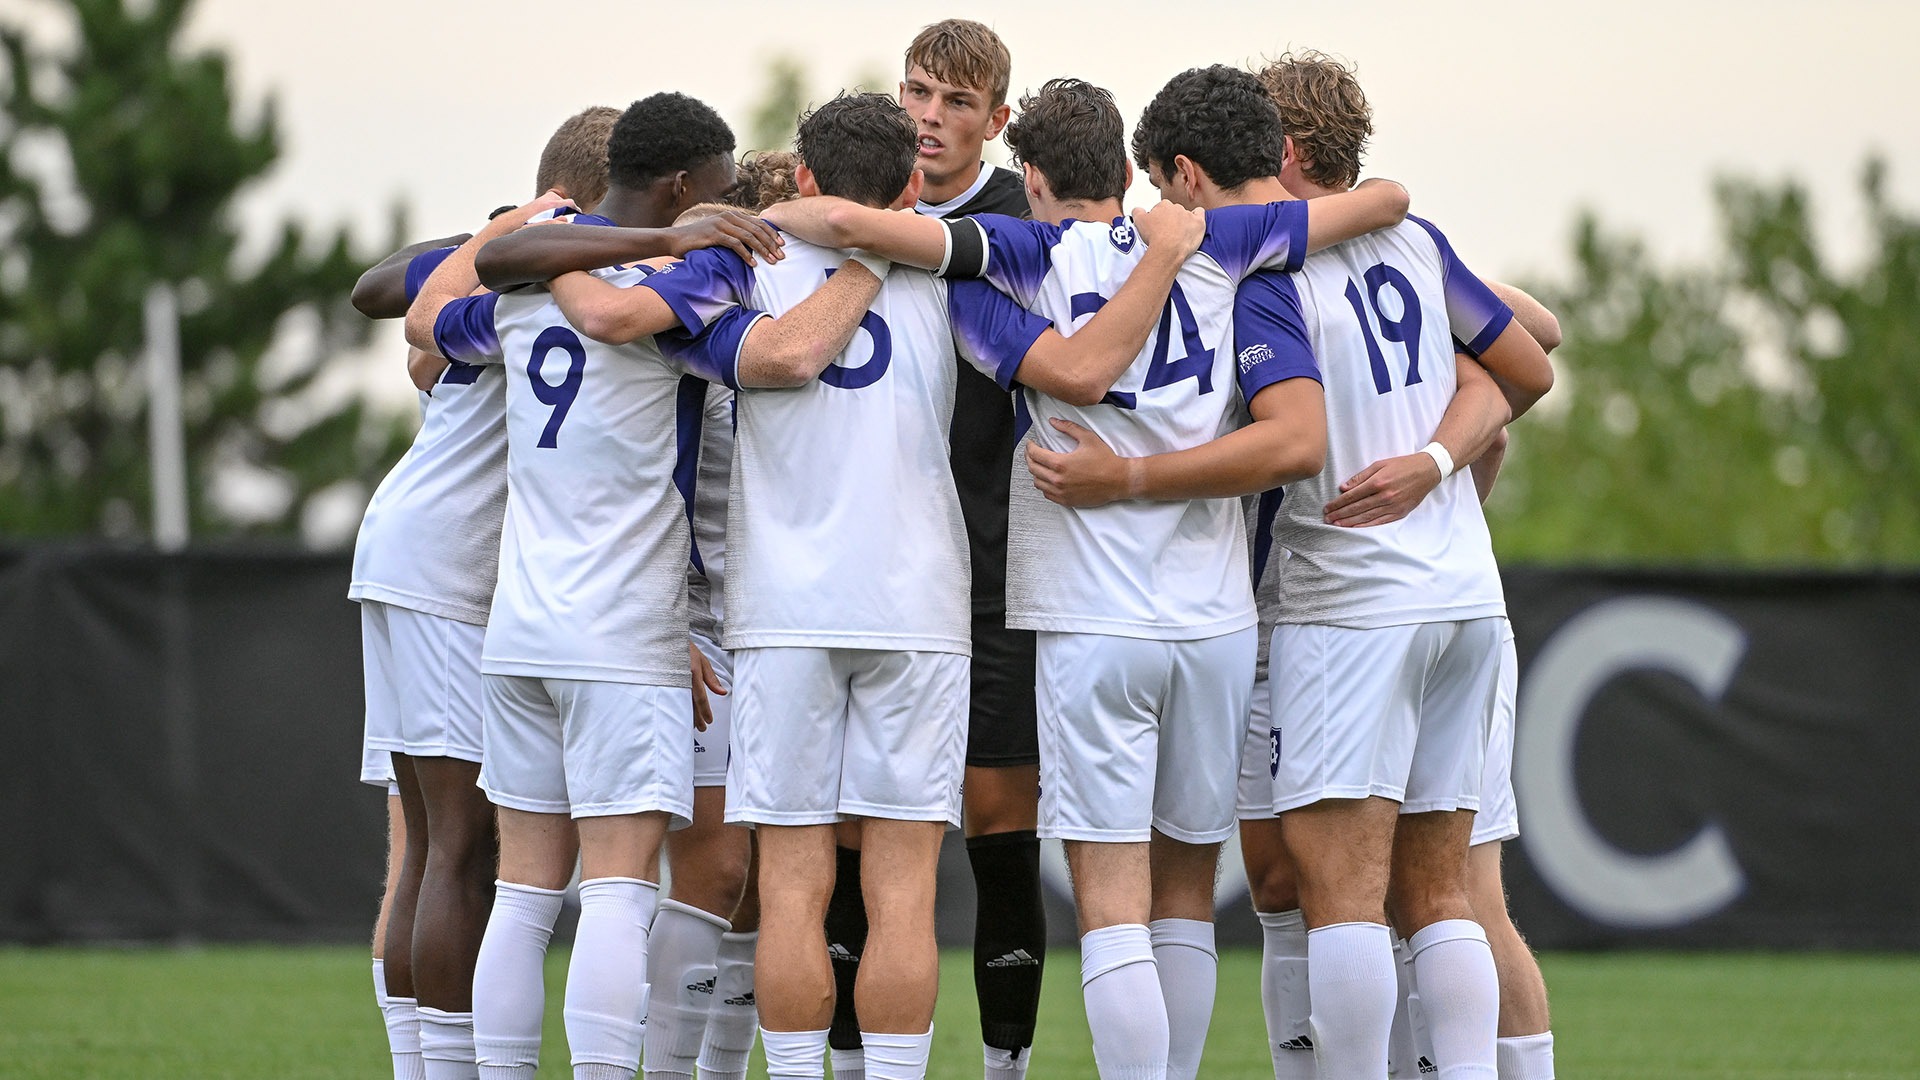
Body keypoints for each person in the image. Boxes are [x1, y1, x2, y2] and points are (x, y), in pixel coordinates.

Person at [481, 90, 1208, 1080]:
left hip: (781, 614)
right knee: (905, 884)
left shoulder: (731, 266)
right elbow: (1068, 338)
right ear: (911, 183)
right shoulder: (948, 270)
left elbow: (631, 321)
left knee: (791, 883)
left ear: (809, 177)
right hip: (919, 610)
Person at [758, 75, 1407, 1080]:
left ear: (1032, 175)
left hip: (1088, 615)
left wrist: (770, 212)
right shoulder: (1219, 241)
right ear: (1125, 169)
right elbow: (1386, 200)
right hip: (1217, 619)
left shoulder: (1014, 252)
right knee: (1187, 894)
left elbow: (878, 231)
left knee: (1112, 908)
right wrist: (1182, 234)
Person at [1049, 61, 1554, 1080]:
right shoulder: (1408, 236)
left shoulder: (1265, 279)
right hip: (1460, 596)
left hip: (1343, 602)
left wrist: (1130, 478)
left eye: (1162, 186)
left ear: (1190, 176)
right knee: (1444, 895)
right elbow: (1529, 360)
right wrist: (1441, 461)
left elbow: (1290, 440)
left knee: (1344, 899)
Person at [402, 91, 883, 1080]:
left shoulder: (536, 275)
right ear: (682, 188)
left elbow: (436, 317)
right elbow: (723, 340)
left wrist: (570, 242)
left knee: (529, 895)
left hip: (522, 629)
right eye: (715, 194)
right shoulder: (684, 273)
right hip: (624, 632)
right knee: (618, 892)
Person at [348, 104, 619, 1080]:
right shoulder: (543, 270)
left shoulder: (508, 268)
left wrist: (494, 234)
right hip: (445, 570)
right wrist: (513, 226)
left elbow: (384, 287)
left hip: (409, 552)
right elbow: (382, 293)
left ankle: (421, 1069)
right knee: (459, 847)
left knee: (430, 846)